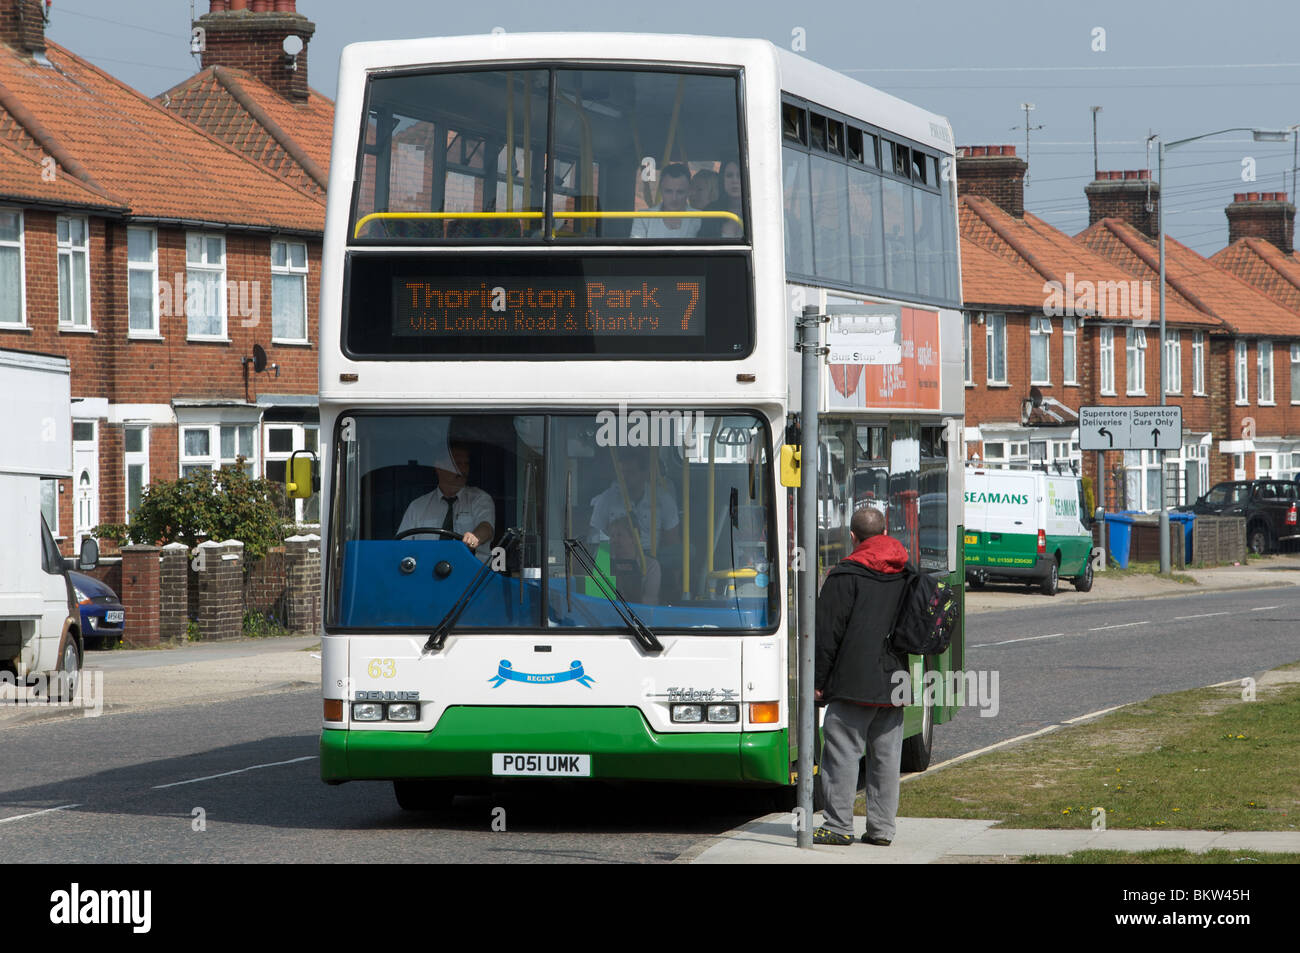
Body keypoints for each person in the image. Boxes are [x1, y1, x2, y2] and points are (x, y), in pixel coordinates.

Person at [813, 505, 910, 847]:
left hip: (853, 682)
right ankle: (882, 830)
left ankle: (838, 827)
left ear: (853, 537)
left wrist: (818, 682)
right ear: (884, 533)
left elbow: (826, 636)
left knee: (841, 752)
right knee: (886, 758)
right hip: (895, 680)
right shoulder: (905, 571)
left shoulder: (844, 575)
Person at [589, 452, 680, 602]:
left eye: (630, 473)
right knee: (596, 591)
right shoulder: (606, 499)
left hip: (650, 559)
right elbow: (593, 539)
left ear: (645, 474)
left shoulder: (663, 500)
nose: (624, 478)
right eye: (621, 473)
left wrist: (674, 587)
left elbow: (672, 543)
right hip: (613, 556)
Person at [397, 442, 495, 561]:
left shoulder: (479, 499)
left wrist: (475, 537)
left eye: (466, 464)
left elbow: (486, 527)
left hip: (472, 575)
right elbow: (401, 547)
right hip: (427, 574)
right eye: (457, 463)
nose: (463, 469)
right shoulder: (418, 506)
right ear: (439, 467)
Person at [630, 164, 699, 239]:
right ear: (660, 190)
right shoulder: (643, 217)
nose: (674, 198)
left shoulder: (700, 218)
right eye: (668, 191)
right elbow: (636, 249)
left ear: (689, 191)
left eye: (680, 192)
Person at [697, 159, 743, 239]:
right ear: (722, 180)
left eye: (739, 175)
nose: (734, 180)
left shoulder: (759, 212)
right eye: (729, 175)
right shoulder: (711, 211)